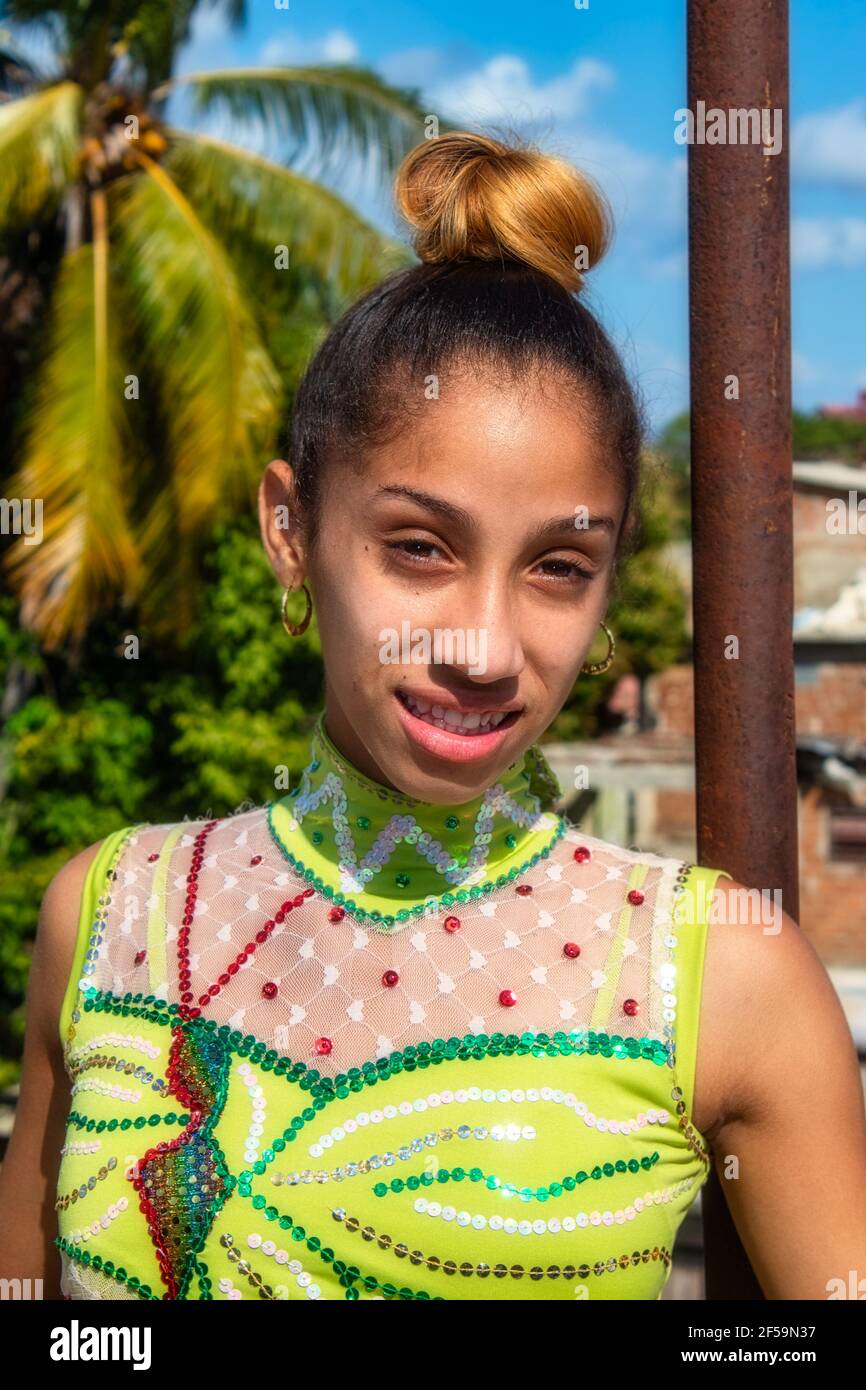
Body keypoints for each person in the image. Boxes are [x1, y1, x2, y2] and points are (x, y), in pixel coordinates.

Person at [1, 131, 864, 1303]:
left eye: (559, 565)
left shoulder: (717, 975)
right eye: (419, 547)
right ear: (289, 528)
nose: (483, 649)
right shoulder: (109, 918)